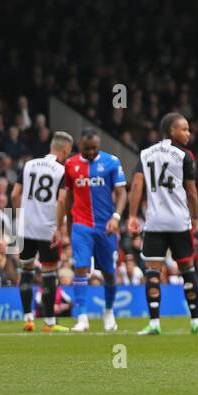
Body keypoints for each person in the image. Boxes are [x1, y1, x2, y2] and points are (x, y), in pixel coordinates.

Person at [127, 113, 198, 335]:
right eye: (184, 129)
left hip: (155, 222)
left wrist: (132, 216)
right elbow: (192, 190)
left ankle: (154, 323)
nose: (188, 133)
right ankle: (196, 321)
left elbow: (137, 185)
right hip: (179, 222)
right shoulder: (185, 155)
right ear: (171, 131)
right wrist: (195, 216)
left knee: (153, 271)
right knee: (187, 269)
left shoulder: (146, 153)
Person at [57, 128, 126, 332]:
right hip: (81, 225)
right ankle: (82, 317)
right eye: (87, 149)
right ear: (80, 144)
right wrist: (68, 226)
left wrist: (116, 217)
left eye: (94, 148)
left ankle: (109, 311)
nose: (91, 152)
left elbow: (122, 193)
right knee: (80, 268)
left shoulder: (112, 162)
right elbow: (69, 197)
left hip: (106, 227)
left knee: (109, 273)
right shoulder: (70, 164)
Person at [12, 130, 72, 332]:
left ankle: (28, 319)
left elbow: (14, 195)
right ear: (65, 149)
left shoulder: (28, 165)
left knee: (26, 271)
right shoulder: (62, 170)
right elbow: (61, 201)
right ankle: (49, 323)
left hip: (26, 227)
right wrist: (59, 228)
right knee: (49, 273)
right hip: (47, 228)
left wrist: (21, 217)